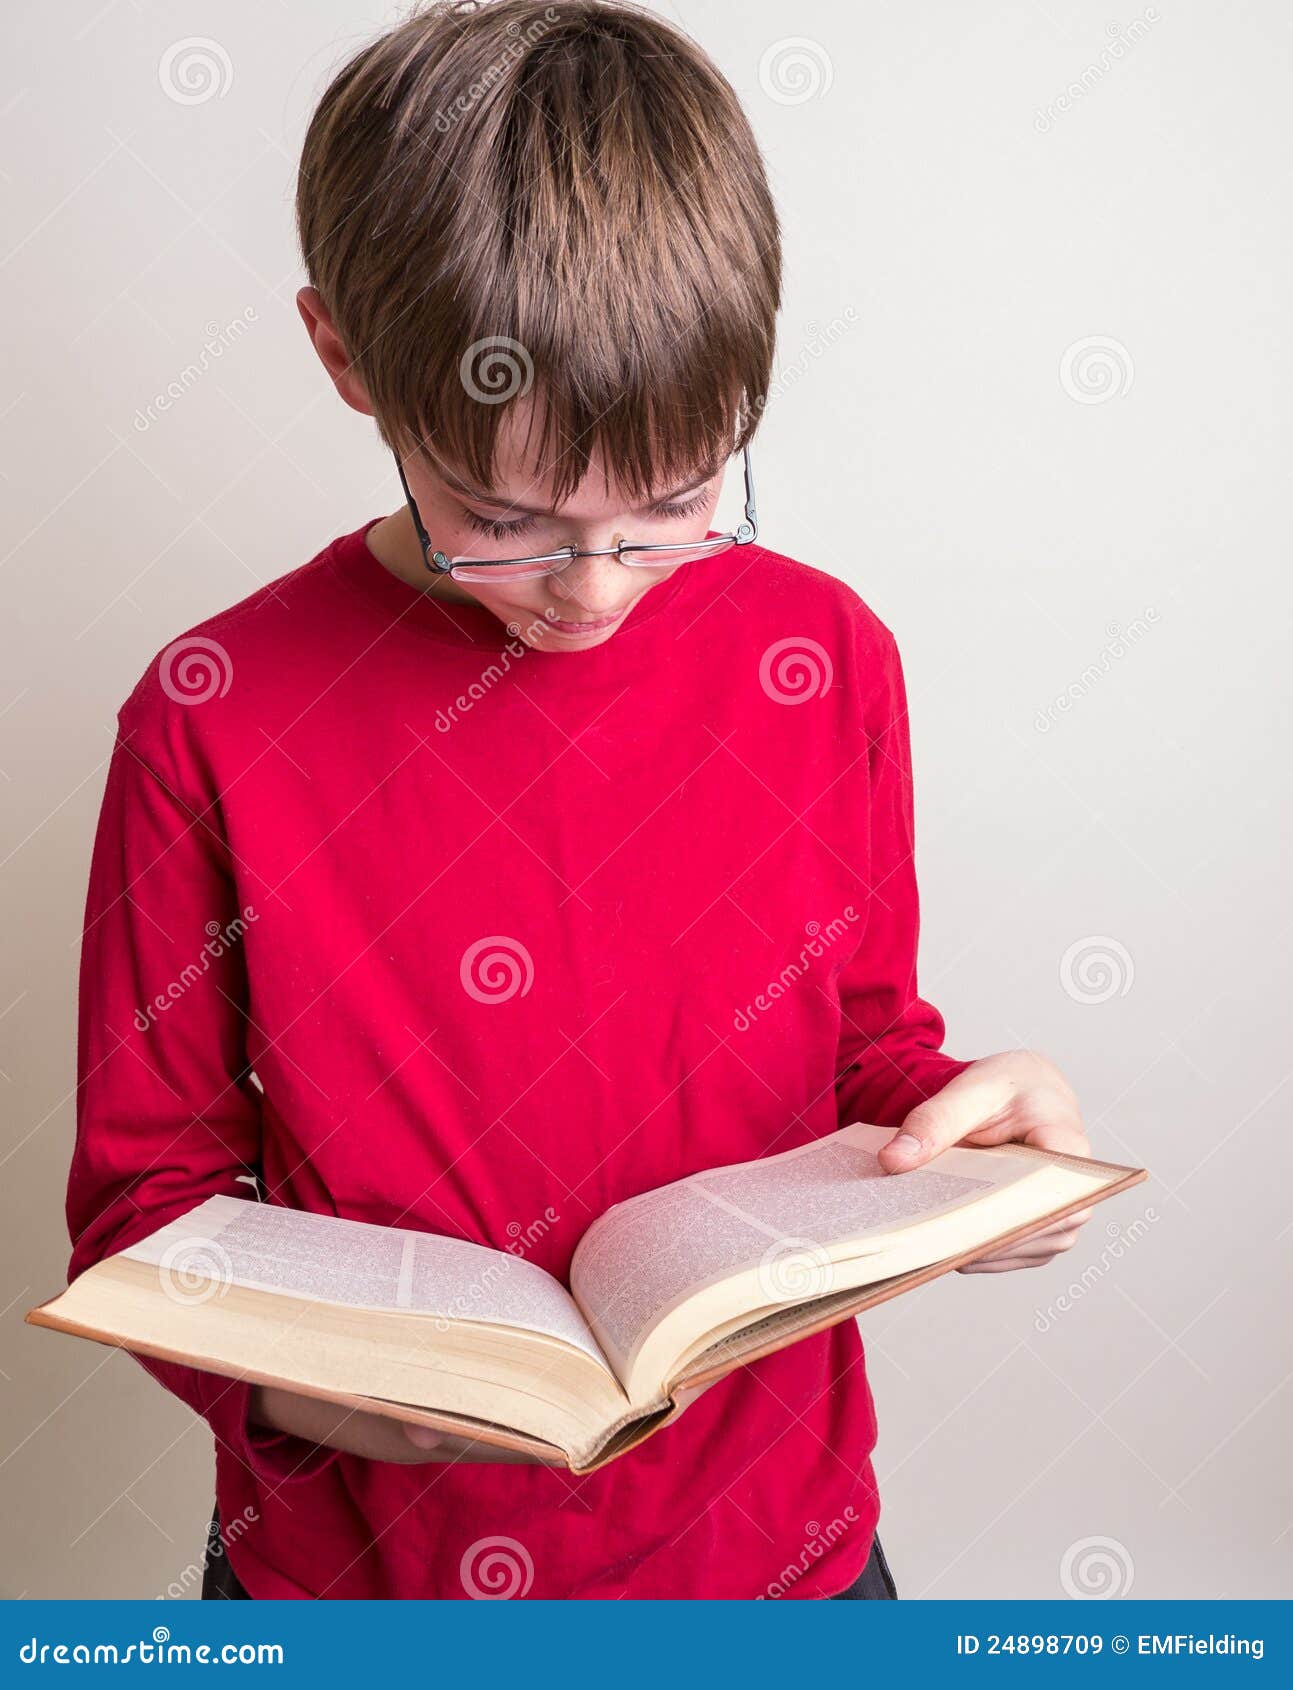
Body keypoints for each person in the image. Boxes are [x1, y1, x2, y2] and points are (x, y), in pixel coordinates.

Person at [66, 0, 1092, 1600]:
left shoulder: (822, 655)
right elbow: (146, 1202)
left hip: (781, 1562)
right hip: (354, 1588)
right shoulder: (211, 713)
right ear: (344, 354)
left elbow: (863, 1047)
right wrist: (278, 1389)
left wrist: (972, 1145)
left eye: (677, 503)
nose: (596, 588)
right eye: (509, 518)